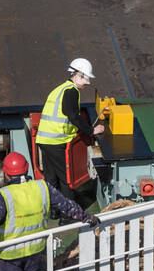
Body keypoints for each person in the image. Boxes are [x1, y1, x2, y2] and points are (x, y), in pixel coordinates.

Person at [36, 57, 104, 201]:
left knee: (51, 178)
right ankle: (69, 215)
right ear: (77, 75)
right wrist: (91, 131)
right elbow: (72, 115)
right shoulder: (71, 91)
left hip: (45, 140)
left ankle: (54, 209)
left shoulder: (60, 89)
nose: (87, 83)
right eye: (86, 78)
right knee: (66, 179)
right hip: (56, 142)